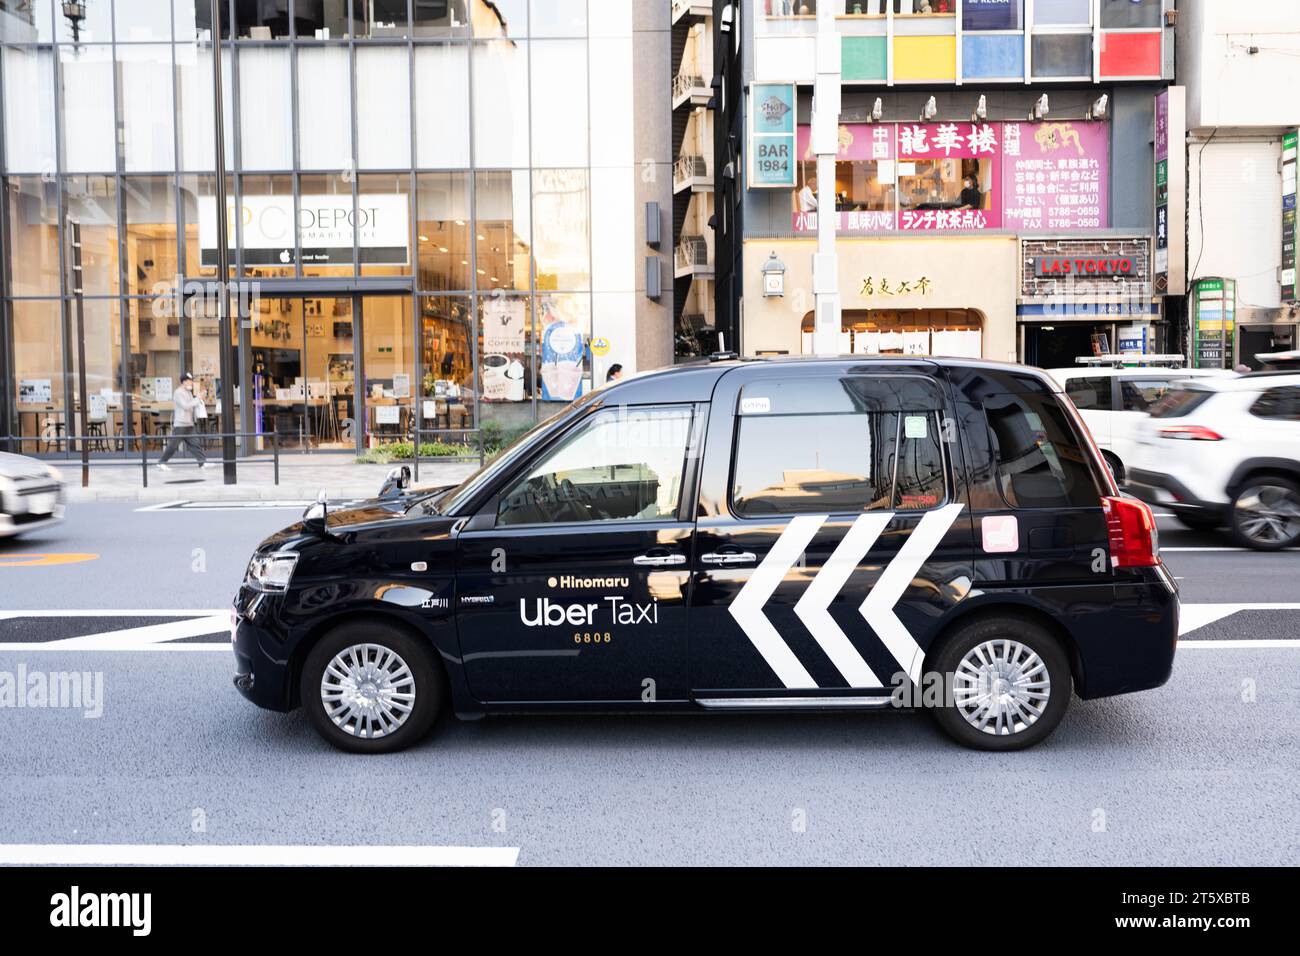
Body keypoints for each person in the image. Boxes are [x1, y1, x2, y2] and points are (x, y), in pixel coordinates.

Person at [157, 372, 208, 471]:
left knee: (195, 444)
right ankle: (162, 462)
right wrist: (197, 398)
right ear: (183, 382)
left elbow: (191, 404)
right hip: (181, 424)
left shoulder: (188, 392)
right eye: (190, 381)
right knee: (173, 445)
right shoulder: (178, 392)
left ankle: (202, 462)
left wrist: (199, 398)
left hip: (189, 423)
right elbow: (186, 405)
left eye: (191, 381)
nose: (192, 383)